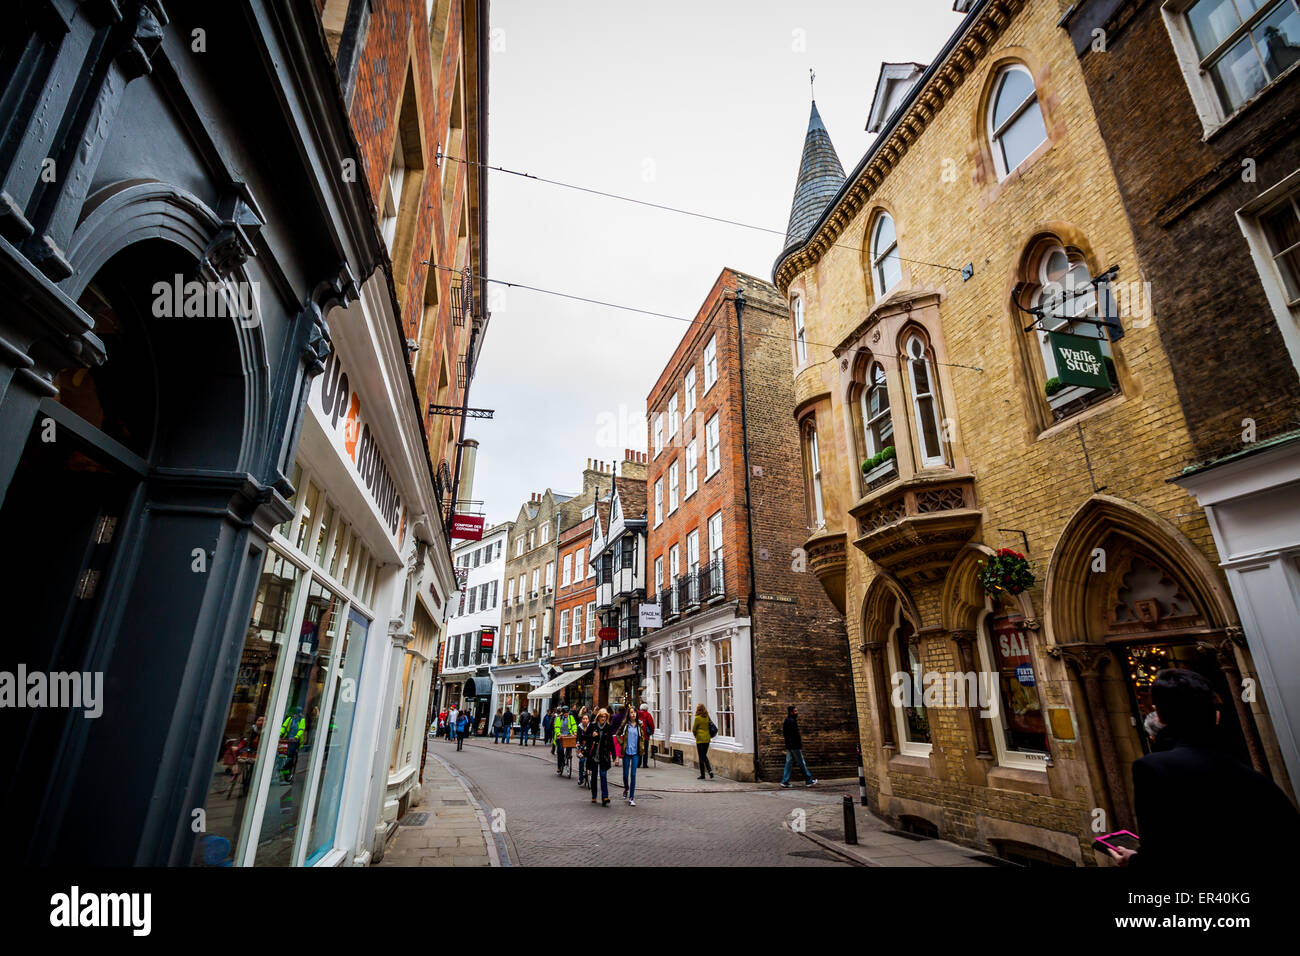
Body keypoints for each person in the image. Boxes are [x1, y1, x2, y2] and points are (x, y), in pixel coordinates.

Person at [1108, 668, 1300, 869]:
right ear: (1216, 716)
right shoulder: (1255, 778)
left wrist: (1132, 859)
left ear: (1161, 719)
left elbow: (1159, 854)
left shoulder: (1152, 768)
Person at [780, 705, 818, 788]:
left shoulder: (787, 720)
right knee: (801, 762)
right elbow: (795, 735)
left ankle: (785, 781)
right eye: (795, 711)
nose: (797, 713)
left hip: (789, 746)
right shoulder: (792, 721)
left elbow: (785, 734)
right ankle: (809, 780)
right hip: (795, 746)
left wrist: (788, 744)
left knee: (788, 763)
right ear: (791, 712)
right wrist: (798, 745)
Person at [585, 708, 615, 806]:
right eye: (602, 716)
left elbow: (611, 741)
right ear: (598, 717)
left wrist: (614, 754)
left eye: (605, 717)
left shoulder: (608, 727)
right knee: (594, 776)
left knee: (603, 775)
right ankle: (594, 795)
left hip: (604, 755)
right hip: (594, 755)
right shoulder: (592, 726)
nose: (603, 718)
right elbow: (585, 737)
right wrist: (592, 735)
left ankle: (605, 797)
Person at [618, 708, 647, 806]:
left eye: (634, 712)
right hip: (626, 752)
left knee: (633, 775)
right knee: (625, 775)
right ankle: (626, 788)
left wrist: (641, 747)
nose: (633, 714)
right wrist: (622, 743)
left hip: (635, 753)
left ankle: (631, 797)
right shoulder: (625, 724)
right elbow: (617, 734)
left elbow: (642, 737)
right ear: (629, 714)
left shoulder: (639, 725)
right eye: (631, 712)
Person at [691, 703, 714, 780]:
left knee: (702, 756)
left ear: (698, 709)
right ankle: (704, 774)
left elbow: (694, 729)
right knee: (703, 756)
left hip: (700, 739)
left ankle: (708, 771)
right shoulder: (707, 717)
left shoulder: (697, 718)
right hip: (707, 738)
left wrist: (695, 735)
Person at [554, 706, 577, 775]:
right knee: (560, 750)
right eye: (564, 713)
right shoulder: (558, 718)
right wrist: (558, 734)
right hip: (561, 736)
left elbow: (574, 725)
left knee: (569, 747)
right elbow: (557, 727)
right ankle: (559, 766)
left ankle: (568, 756)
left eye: (567, 712)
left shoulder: (571, 718)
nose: (566, 714)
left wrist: (575, 731)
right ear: (562, 712)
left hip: (568, 736)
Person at [636, 702, 655, 768]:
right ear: (646, 708)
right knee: (645, 750)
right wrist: (652, 731)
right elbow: (651, 724)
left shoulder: (637, 714)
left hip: (637, 734)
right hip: (645, 735)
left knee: (638, 749)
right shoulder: (648, 715)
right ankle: (644, 764)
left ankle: (638, 764)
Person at [575, 711, 592, 786]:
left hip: (589, 746)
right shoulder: (579, 727)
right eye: (583, 719)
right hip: (582, 746)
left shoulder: (591, 727)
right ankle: (580, 778)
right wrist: (578, 742)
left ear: (588, 720)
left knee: (591, 760)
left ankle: (591, 775)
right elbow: (578, 737)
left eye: (586, 719)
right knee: (581, 760)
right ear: (582, 720)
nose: (585, 720)